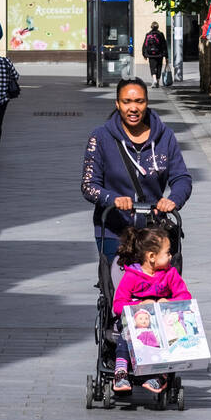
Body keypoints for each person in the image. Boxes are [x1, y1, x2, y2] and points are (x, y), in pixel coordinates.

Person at [81, 76, 192, 265]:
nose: (133, 108)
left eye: (139, 102)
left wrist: (173, 200)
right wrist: (112, 199)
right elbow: (89, 184)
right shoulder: (100, 137)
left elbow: (181, 177)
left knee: (156, 289)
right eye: (127, 102)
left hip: (153, 230)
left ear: (147, 103)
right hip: (114, 230)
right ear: (117, 104)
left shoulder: (166, 136)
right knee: (120, 287)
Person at [112, 226, 191, 395]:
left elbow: (185, 297)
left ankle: (160, 375)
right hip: (136, 322)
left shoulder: (170, 274)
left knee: (171, 334)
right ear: (152, 257)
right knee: (126, 333)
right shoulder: (131, 276)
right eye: (167, 253)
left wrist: (168, 301)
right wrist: (138, 306)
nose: (171, 256)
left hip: (160, 323)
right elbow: (118, 305)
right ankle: (120, 372)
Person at [141, 22, 168, 86]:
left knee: (152, 67)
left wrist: (144, 54)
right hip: (159, 54)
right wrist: (166, 56)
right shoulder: (161, 34)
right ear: (158, 27)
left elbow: (144, 45)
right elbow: (164, 45)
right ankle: (158, 82)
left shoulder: (148, 34)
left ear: (151, 27)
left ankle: (154, 79)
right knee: (159, 67)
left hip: (151, 54)